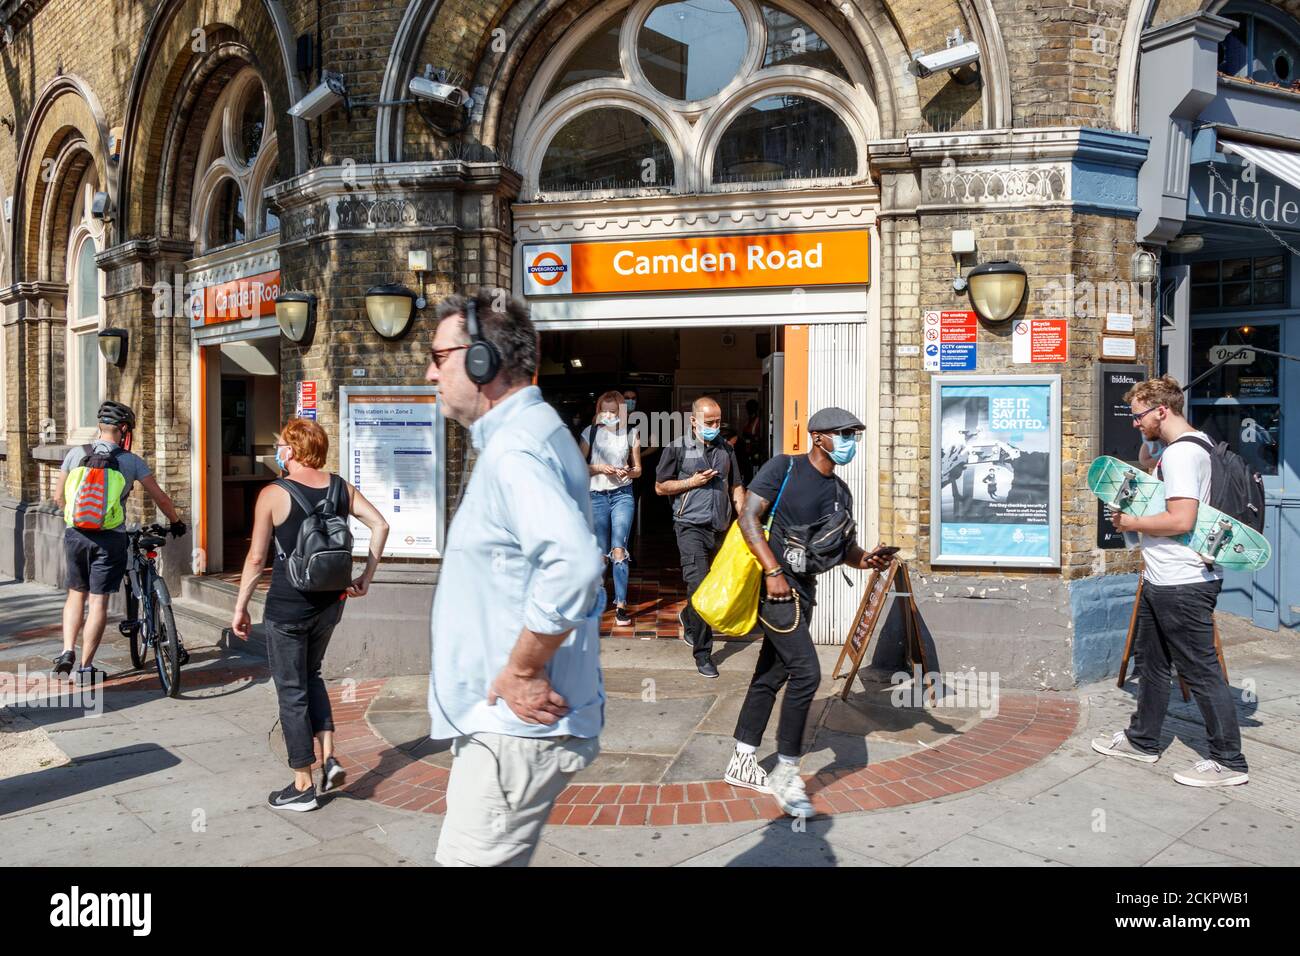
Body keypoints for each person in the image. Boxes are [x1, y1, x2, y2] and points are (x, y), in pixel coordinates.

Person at [425, 288, 605, 866]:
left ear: (483, 362)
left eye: (439, 356)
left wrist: (523, 668)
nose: (431, 373)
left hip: (511, 733)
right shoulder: (531, 436)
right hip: (509, 732)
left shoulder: (516, 450)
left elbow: (574, 564)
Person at [725, 407, 892, 817]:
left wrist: (867, 559)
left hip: (805, 591)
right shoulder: (785, 468)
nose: (851, 441)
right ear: (819, 436)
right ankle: (786, 771)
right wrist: (773, 570)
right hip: (777, 591)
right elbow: (749, 517)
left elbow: (843, 549)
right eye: (845, 433)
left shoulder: (840, 492)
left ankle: (742, 758)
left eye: (855, 434)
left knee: (772, 673)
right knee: (807, 673)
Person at [1093, 375, 1249, 788]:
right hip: (1165, 579)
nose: (1134, 422)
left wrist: (1131, 521)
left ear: (1162, 410)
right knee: (1153, 664)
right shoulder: (1193, 444)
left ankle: (1229, 761)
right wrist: (1152, 444)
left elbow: (1181, 520)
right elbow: (1148, 464)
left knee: (1200, 671)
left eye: (1140, 415)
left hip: (1182, 582)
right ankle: (1142, 740)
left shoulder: (1182, 455)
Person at [231, 418, 390, 812]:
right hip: (331, 603)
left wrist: (240, 607)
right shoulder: (340, 487)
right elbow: (380, 525)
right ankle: (331, 757)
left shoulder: (273, 493)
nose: (278, 451)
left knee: (291, 689)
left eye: (282, 445)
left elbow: (256, 558)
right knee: (312, 674)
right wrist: (365, 577)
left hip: (288, 606)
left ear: (294, 450)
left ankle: (302, 783)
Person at [52, 400, 186, 683]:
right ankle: (86, 669)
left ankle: (66, 651)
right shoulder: (130, 461)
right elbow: (160, 498)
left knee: (76, 593)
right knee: (98, 603)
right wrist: (176, 522)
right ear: (123, 429)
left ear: (100, 427)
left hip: (75, 535)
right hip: (110, 539)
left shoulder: (76, 454)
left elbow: (58, 496)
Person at [655, 396, 745, 678]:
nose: (715, 426)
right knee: (699, 586)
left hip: (719, 527)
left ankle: (688, 617)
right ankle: (703, 653)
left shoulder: (726, 450)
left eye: (718, 421)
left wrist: (744, 519)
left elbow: (737, 486)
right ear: (694, 421)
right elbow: (660, 487)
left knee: (716, 586)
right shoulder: (678, 448)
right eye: (709, 422)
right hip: (689, 526)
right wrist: (690, 483)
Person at [579, 391, 642, 628]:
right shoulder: (590, 432)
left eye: (613, 411)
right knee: (599, 553)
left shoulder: (631, 433)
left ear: (621, 412)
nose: (607, 415)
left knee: (618, 549)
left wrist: (628, 470)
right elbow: (578, 465)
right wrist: (599, 468)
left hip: (622, 495)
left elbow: (639, 470)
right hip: (596, 496)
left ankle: (621, 606)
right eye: (603, 410)